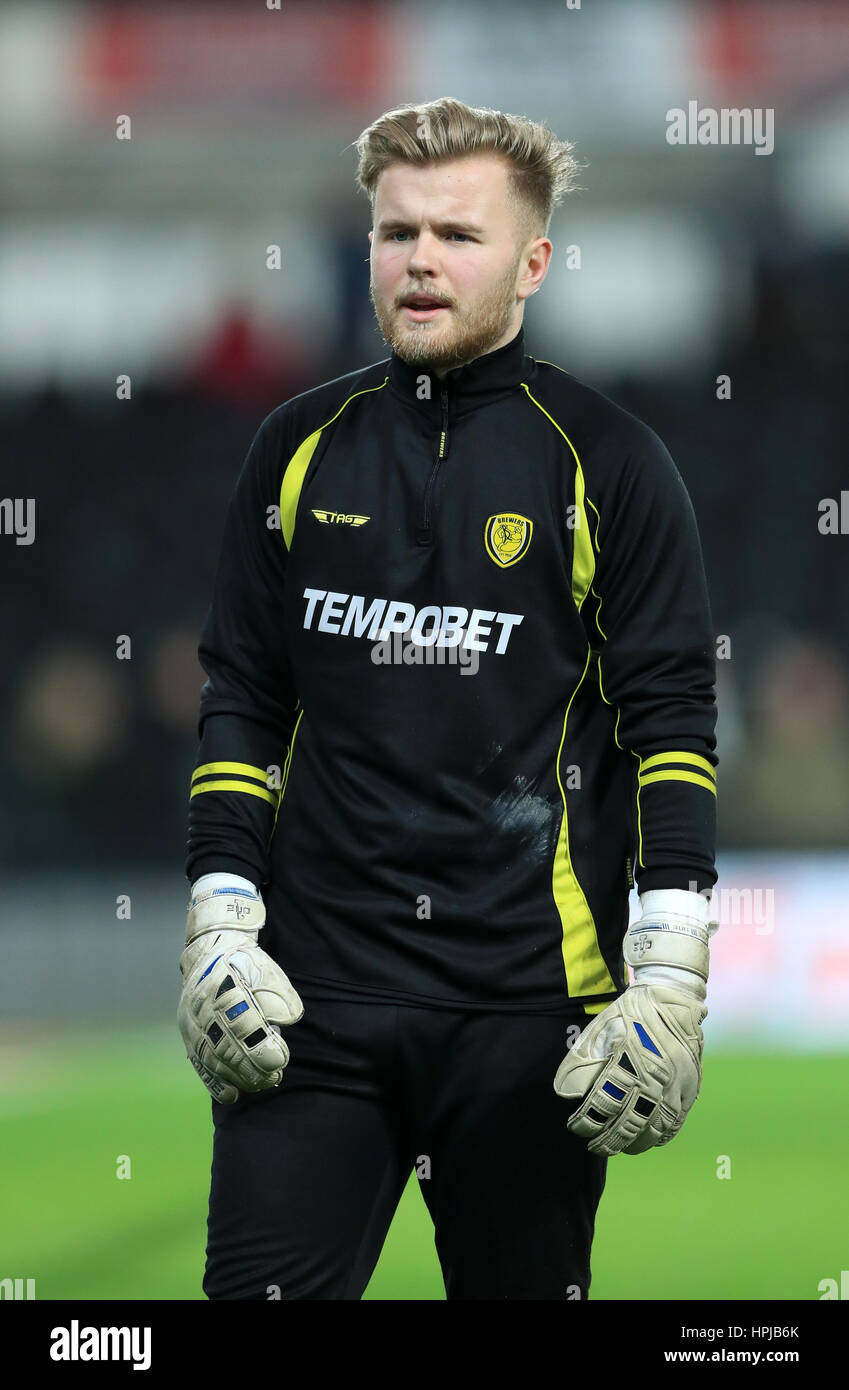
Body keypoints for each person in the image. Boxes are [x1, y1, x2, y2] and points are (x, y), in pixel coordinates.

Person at [178, 97, 719, 1301]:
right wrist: (220, 912)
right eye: (396, 231)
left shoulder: (613, 460)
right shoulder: (293, 446)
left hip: (532, 1015)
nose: (421, 258)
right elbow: (244, 699)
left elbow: (669, 720)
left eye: (458, 235)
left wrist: (672, 966)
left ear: (531, 262)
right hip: (309, 1001)